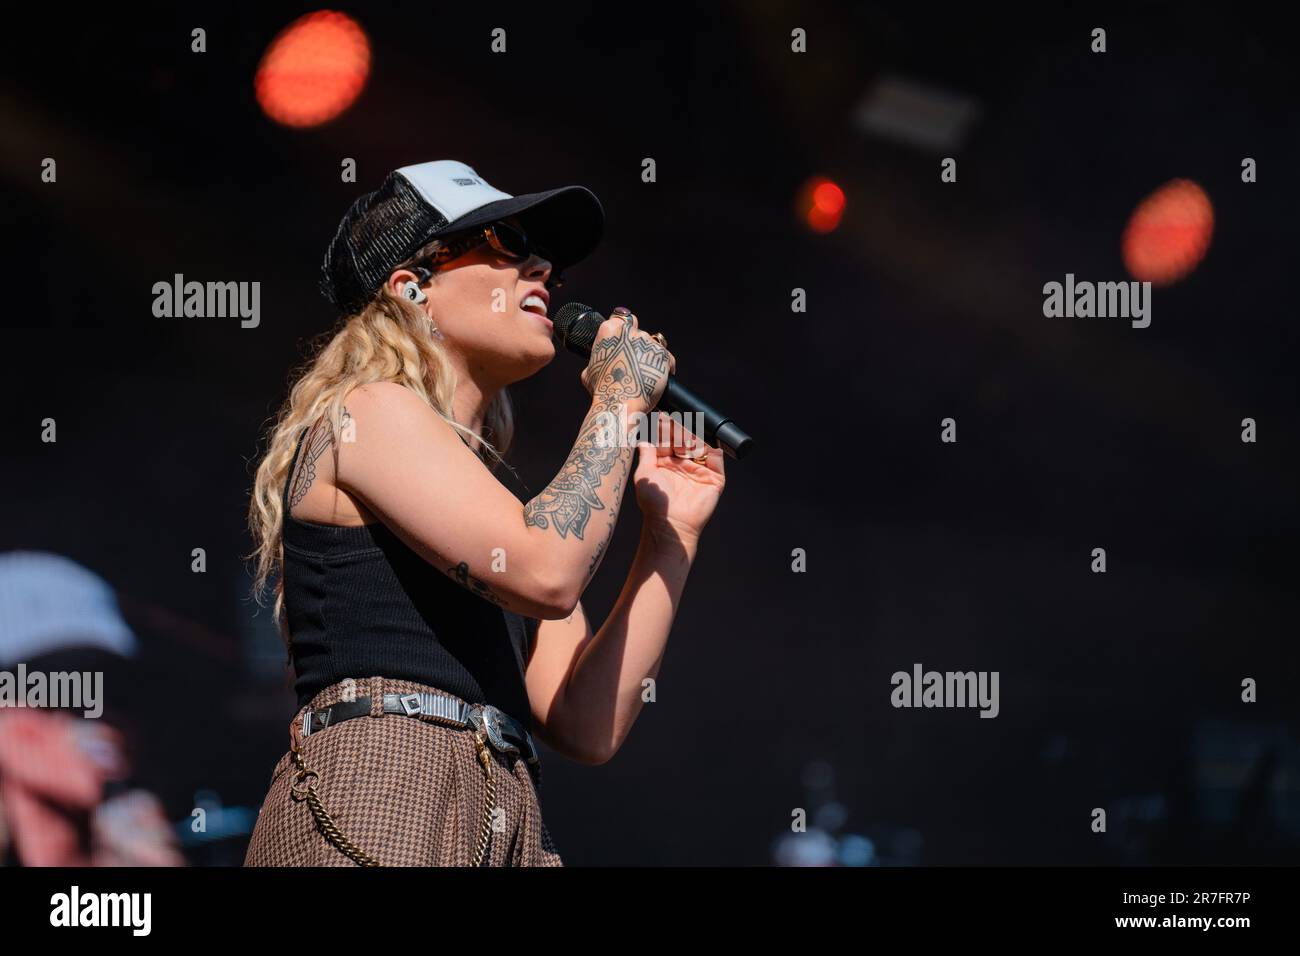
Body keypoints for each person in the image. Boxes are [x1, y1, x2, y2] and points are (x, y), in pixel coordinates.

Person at [243, 160, 727, 866]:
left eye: (542, 253)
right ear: (413, 287)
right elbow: (549, 572)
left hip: (500, 805)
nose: (542, 267)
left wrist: (669, 537)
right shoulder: (367, 412)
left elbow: (583, 722)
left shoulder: (503, 511)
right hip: (384, 786)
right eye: (503, 241)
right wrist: (619, 400)